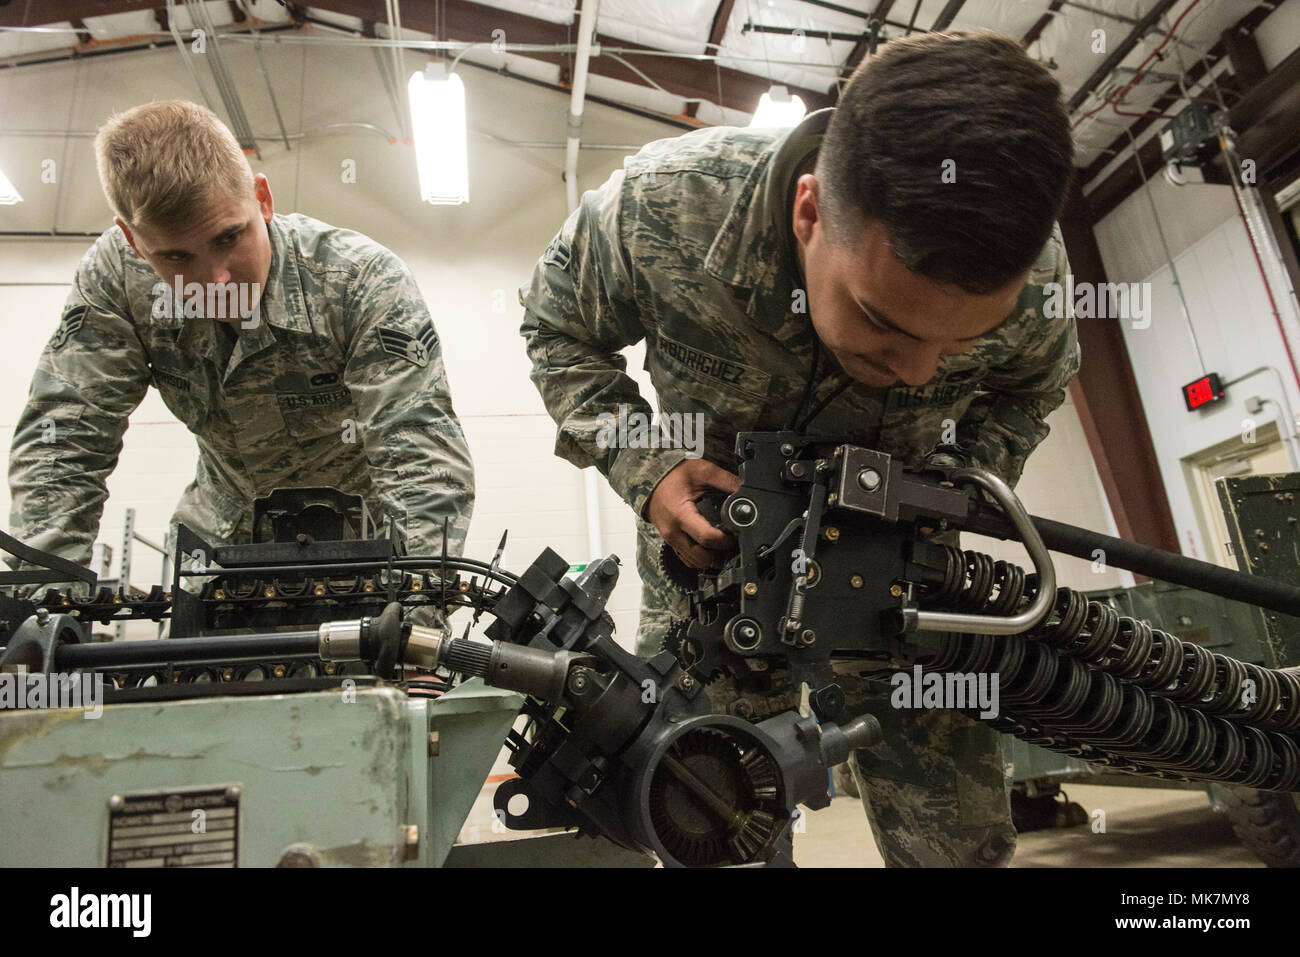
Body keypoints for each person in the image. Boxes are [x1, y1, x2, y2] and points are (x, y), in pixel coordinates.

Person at [519, 32, 1078, 866]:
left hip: (904, 586)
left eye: (959, 345)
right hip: (709, 573)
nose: (917, 370)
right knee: (707, 826)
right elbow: (558, 328)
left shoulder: (1035, 278)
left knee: (959, 847)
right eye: (885, 321)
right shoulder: (664, 208)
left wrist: (945, 490)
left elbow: (1036, 386)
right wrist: (649, 467)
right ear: (810, 212)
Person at [7, 100, 474, 590]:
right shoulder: (119, 279)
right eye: (176, 256)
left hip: (362, 556)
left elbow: (418, 452)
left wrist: (419, 602)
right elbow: (65, 437)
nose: (215, 278)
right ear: (132, 240)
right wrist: (46, 601)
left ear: (262, 198)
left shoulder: (358, 281)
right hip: (216, 555)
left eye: (229, 238)